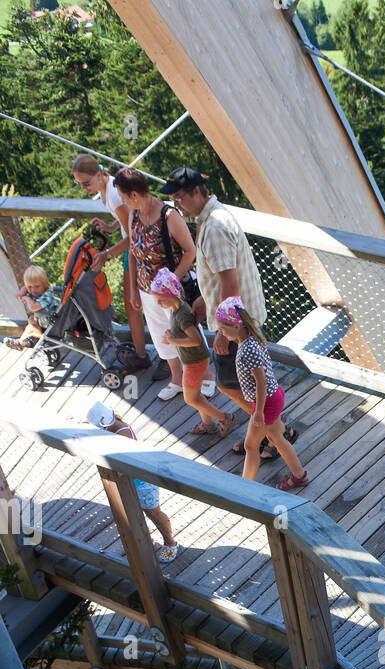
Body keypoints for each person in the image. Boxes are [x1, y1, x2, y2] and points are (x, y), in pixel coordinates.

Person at [159, 167, 296, 463]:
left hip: (237, 325)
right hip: (240, 318)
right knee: (243, 384)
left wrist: (222, 331)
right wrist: (204, 303)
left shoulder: (216, 227)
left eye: (180, 196)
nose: (176, 204)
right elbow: (219, 279)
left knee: (231, 384)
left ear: (197, 192)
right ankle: (276, 431)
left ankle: (276, 433)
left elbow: (229, 283)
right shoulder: (212, 218)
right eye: (173, 199)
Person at [113, 166, 215, 403]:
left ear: (134, 195)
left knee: (187, 328)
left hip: (172, 291)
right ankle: (177, 377)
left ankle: (206, 374)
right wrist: (134, 290)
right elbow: (133, 251)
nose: (123, 201)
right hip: (146, 288)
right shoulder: (133, 215)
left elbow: (190, 251)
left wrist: (171, 280)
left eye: (123, 196)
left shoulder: (169, 216)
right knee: (161, 333)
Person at [214, 297, 308, 488]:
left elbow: (261, 381)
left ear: (235, 325)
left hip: (266, 402)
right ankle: (299, 475)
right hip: (272, 397)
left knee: (250, 445)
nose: (221, 333)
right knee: (276, 438)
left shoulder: (248, 348)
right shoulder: (249, 336)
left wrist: (258, 411)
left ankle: (244, 489)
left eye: (223, 329)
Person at [71, 153, 150, 372]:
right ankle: (142, 352)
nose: (83, 187)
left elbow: (133, 234)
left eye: (86, 183)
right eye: (79, 184)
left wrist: (108, 254)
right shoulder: (106, 190)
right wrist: (111, 228)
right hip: (133, 247)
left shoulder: (113, 195)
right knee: (134, 303)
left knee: (133, 304)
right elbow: (127, 220)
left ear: (98, 174)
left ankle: (142, 356)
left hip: (136, 250)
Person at [83, 400, 180, 562]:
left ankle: (171, 542)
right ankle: (147, 539)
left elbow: (111, 452)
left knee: (153, 513)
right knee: (133, 512)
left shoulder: (122, 435)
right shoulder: (114, 427)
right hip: (127, 480)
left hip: (142, 481)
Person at [150, 268, 236, 439]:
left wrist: (172, 341)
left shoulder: (182, 315)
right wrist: (173, 334)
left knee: (191, 399)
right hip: (194, 359)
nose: (159, 304)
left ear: (171, 294)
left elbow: (196, 340)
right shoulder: (177, 309)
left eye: (161, 300)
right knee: (198, 395)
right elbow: (185, 333)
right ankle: (208, 424)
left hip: (194, 362)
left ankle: (224, 418)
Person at [3, 265, 58, 349]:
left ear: (45, 284)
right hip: (41, 319)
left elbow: (33, 307)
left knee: (32, 325)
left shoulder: (47, 295)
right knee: (31, 324)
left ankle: (21, 343)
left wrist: (27, 298)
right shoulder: (33, 289)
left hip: (51, 322)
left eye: (36, 286)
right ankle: (21, 342)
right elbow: (24, 287)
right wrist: (21, 293)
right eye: (30, 287)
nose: (32, 290)